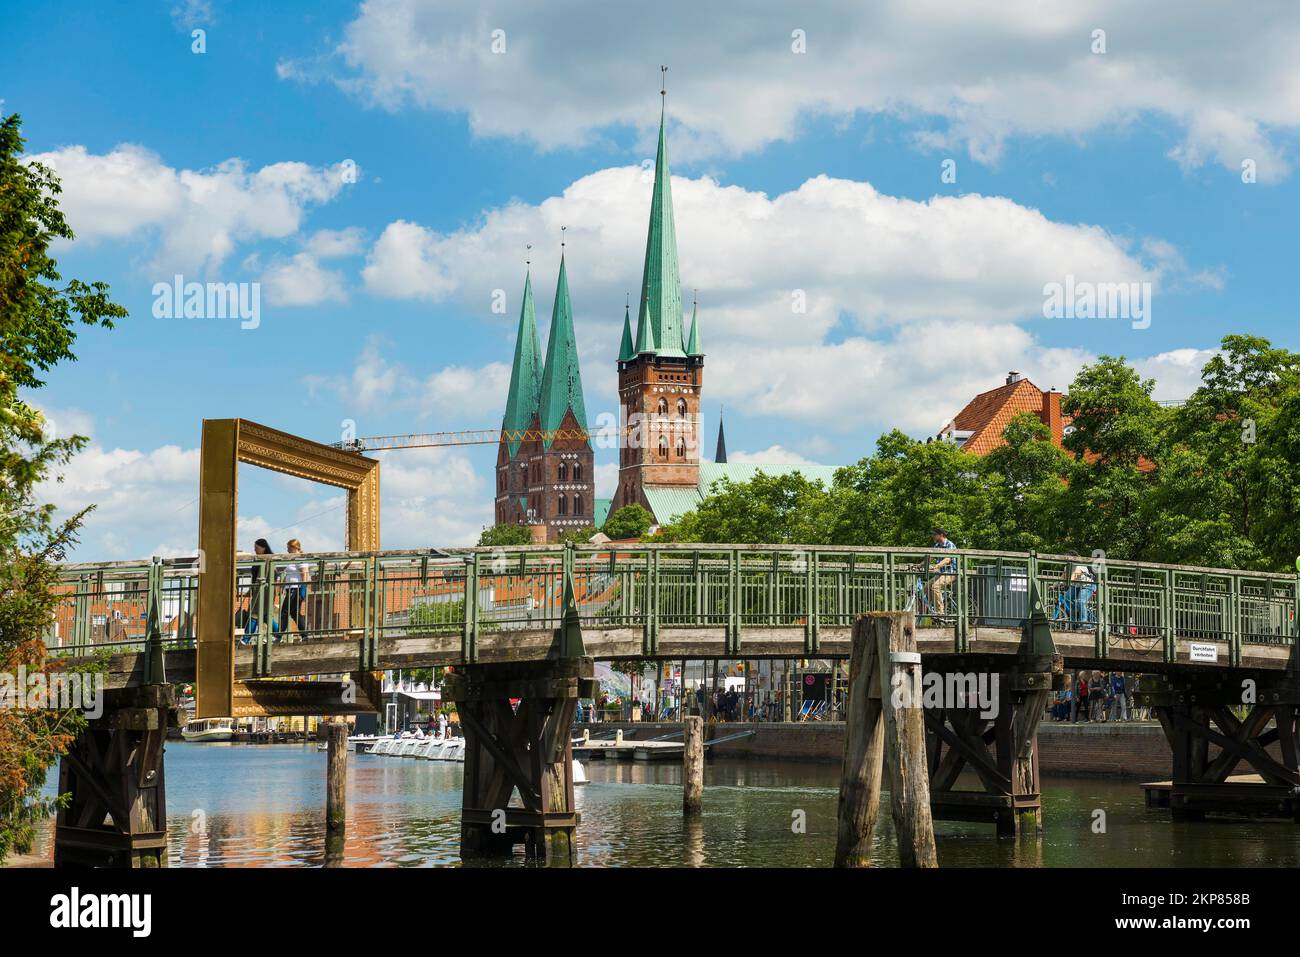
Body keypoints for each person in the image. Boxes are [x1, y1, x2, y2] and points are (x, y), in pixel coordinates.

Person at [279, 538, 310, 636]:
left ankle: (279, 635)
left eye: (289, 548)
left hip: (296, 588)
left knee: (284, 611)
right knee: (294, 613)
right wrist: (283, 585)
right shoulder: (292, 559)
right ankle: (305, 635)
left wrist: (303, 589)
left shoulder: (300, 558)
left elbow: (304, 573)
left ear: (294, 547)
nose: (287, 550)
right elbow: (288, 574)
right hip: (290, 588)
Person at [926, 528, 958, 617]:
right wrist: (919, 565)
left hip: (951, 573)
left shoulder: (949, 544)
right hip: (941, 573)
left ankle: (940, 612)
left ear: (941, 535)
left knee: (935, 586)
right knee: (926, 587)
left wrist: (936, 566)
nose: (933, 536)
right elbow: (930, 558)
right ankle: (931, 609)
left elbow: (947, 559)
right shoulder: (937, 546)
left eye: (935, 534)